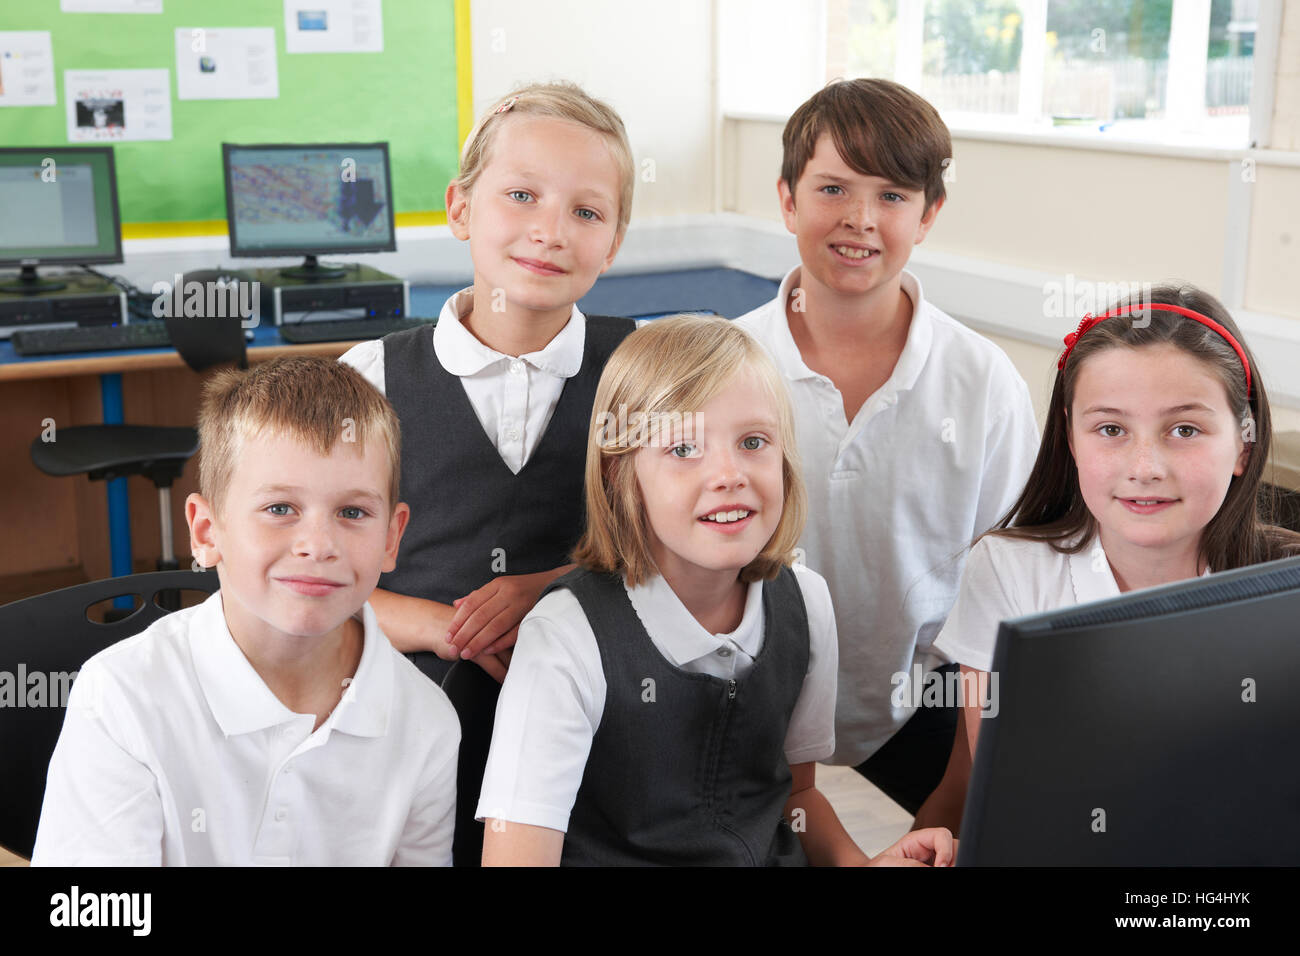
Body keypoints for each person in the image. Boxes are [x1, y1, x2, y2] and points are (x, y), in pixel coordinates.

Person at [477, 316, 955, 866]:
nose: (729, 474)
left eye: (753, 442)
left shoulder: (806, 602)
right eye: (683, 449)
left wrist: (863, 865)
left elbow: (795, 796)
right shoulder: (566, 638)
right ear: (620, 474)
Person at [339, 81, 636, 863]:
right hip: (407, 727)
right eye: (521, 195)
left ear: (615, 240)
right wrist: (445, 626)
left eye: (586, 211)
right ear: (460, 208)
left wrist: (544, 588)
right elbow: (303, 580)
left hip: (603, 741)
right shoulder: (366, 379)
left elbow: (689, 562)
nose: (550, 231)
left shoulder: (648, 373)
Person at [734, 78, 1039, 821]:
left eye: (894, 196)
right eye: (833, 188)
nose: (860, 221)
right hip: (746, 698)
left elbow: (1016, 590)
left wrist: (955, 794)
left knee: (1021, 827)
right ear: (786, 200)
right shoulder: (724, 362)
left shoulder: (983, 382)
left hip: (924, 700)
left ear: (929, 214)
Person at [32, 357, 460, 865]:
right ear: (207, 531)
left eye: (352, 512)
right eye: (280, 509)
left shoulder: (428, 723)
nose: (318, 545)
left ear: (391, 538)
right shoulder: (121, 697)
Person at [927, 285, 1300, 832]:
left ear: (1243, 445)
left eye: (1185, 430)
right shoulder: (1008, 570)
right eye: (1110, 429)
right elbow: (1019, 786)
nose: (1144, 465)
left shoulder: (1285, 585)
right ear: (1072, 440)